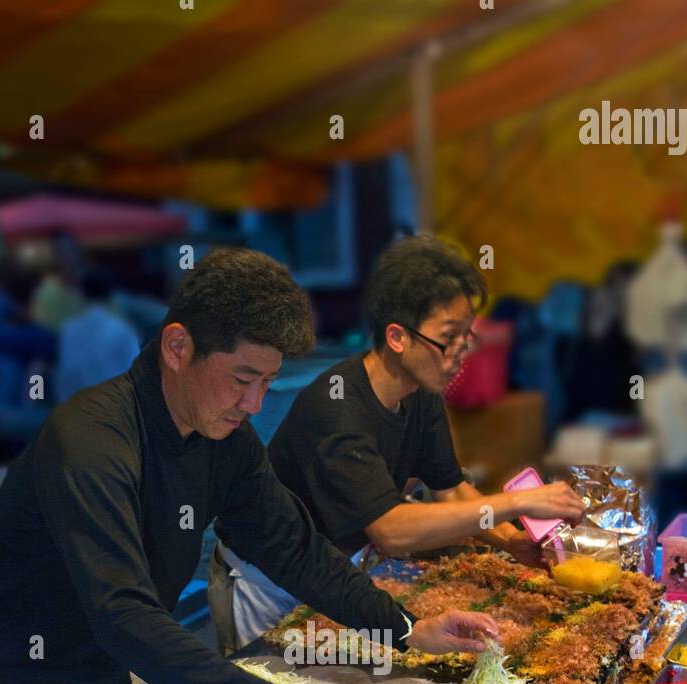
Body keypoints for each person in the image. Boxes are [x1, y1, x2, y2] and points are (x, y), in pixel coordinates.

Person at [0, 249, 498, 684]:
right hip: (27, 677)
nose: (254, 403)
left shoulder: (224, 442)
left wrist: (406, 628)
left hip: (110, 665)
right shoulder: (91, 439)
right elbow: (122, 612)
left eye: (267, 382)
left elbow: (294, 547)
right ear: (178, 348)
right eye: (242, 378)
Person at [210, 235, 583, 652]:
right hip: (268, 583)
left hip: (336, 574)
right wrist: (516, 503)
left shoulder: (418, 391)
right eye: (449, 338)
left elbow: (451, 489)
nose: (461, 354)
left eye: (467, 338)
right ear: (397, 337)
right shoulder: (338, 411)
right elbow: (391, 531)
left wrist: (509, 540)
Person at [55, 269, 141, 402]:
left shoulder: (69, 330)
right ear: (111, 295)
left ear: (83, 294)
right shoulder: (122, 330)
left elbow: (67, 373)